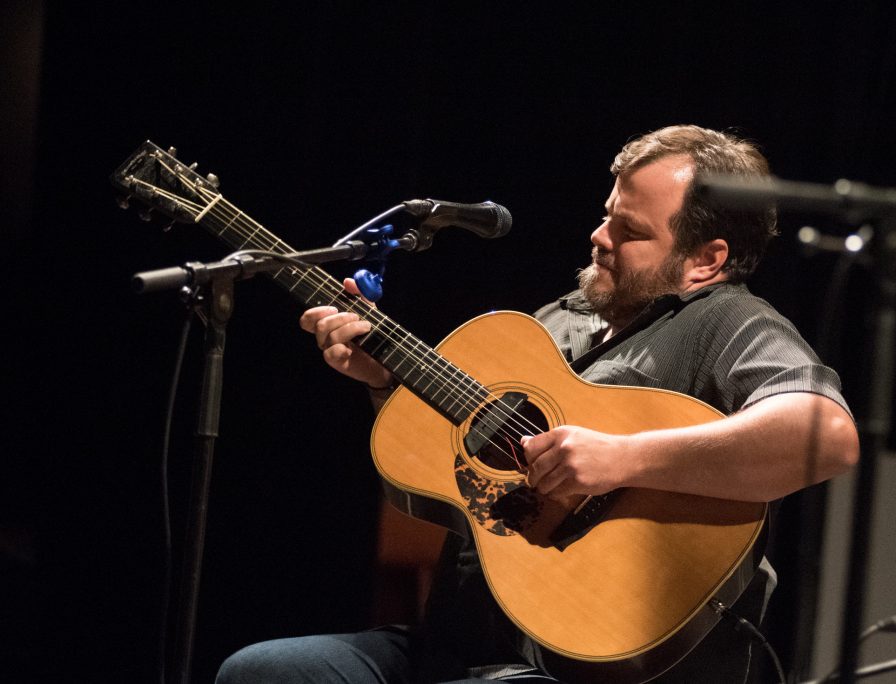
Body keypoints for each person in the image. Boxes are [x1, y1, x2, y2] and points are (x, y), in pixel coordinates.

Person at [216, 124, 860, 683]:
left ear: (706, 259)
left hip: (591, 670)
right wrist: (381, 379)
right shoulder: (556, 322)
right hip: (461, 645)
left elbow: (826, 436)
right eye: (607, 214)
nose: (598, 236)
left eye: (629, 230)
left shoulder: (729, 324)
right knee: (262, 671)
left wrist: (621, 458)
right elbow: (451, 460)